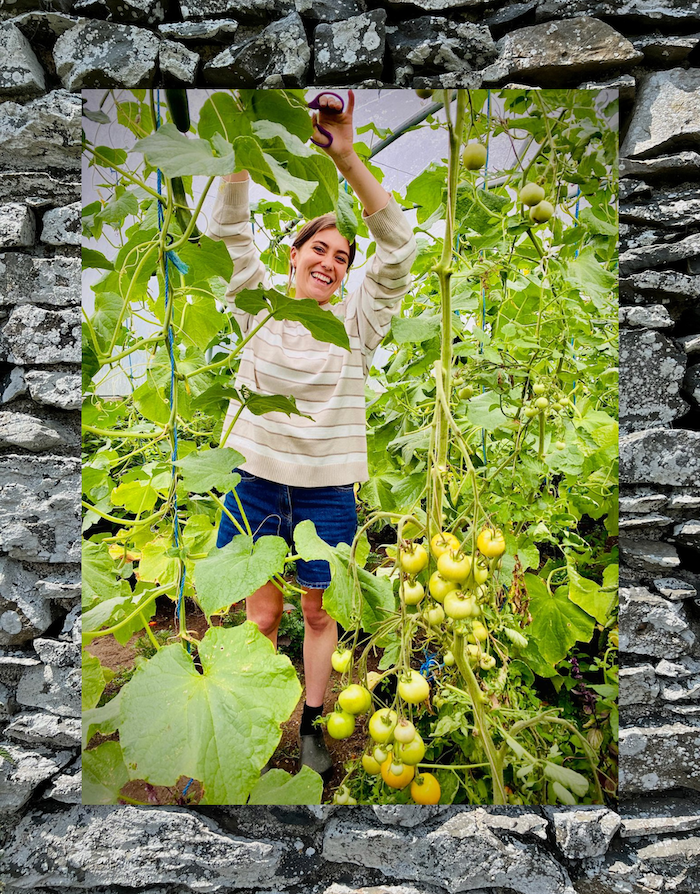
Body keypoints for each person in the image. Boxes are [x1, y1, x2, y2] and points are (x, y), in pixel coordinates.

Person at [207, 90, 417, 779]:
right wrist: (243, 142)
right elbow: (228, 234)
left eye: (342, 257)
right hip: (257, 481)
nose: (330, 262)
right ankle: (264, 720)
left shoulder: (356, 325)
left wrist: (348, 156)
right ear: (293, 256)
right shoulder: (256, 304)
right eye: (319, 249)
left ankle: (313, 729)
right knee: (260, 617)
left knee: (318, 611)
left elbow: (401, 247)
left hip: (326, 489)